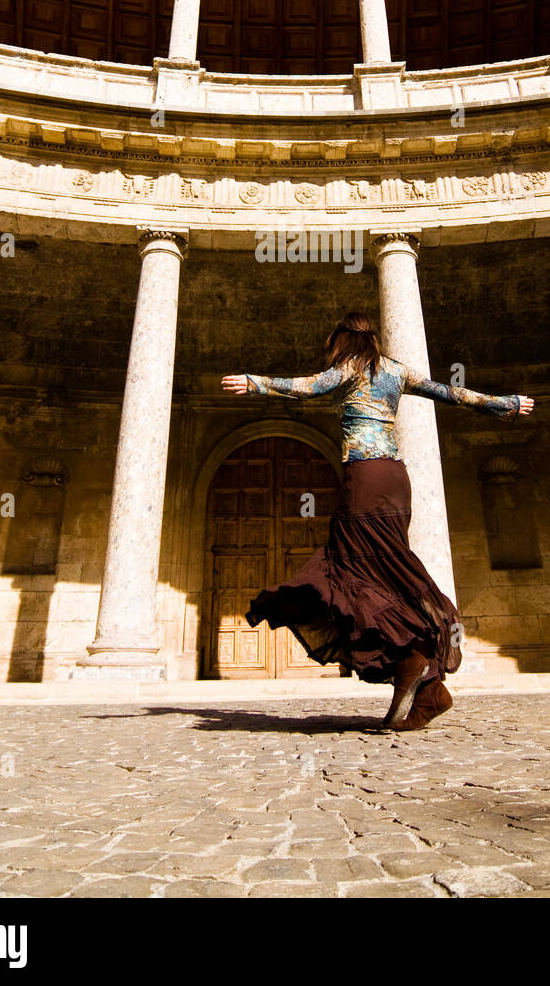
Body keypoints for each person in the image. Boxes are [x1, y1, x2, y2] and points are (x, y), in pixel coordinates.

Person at [221, 311, 534, 731]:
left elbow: (308, 388)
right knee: (386, 568)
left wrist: (255, 382)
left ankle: (410, 659)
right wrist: (507, 404)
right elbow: (452, 393)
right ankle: (426, 685)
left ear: (343, 341)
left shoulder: (347, 368)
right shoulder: (397, 371)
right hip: (395, 478)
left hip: (365, 476)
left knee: (349, 565)